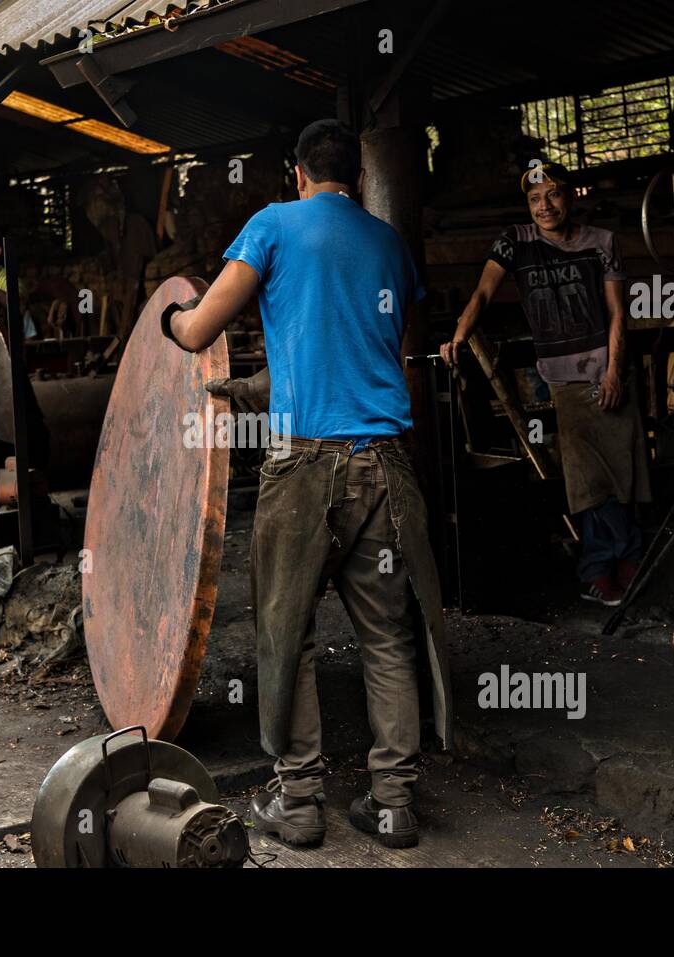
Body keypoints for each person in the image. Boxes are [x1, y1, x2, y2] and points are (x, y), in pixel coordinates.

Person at [163, 119, 453, 849]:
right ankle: (392, 803)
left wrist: (167, 318)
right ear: (353, 176)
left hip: (304, 467)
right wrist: (264, 382)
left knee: (285, 634)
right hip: (385, 465)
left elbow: (199, 331)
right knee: (388, 636)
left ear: (297, 174)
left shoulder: (272, 226)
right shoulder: (389, 244)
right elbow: (373, 352)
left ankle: (298, 802)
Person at [440, 162, 649, 606]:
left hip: (609, 374)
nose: (544, 206)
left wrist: (613, 370)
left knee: (624, 475)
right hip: (566, 381)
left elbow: (616, 312)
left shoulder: (602, 242)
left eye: (552, 195)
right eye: (535, 199)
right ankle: (612, 564)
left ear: (571, 196)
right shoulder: (515, 241)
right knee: (588, 481)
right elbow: (481, 294)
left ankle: (608, 567)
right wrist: (459, 334)